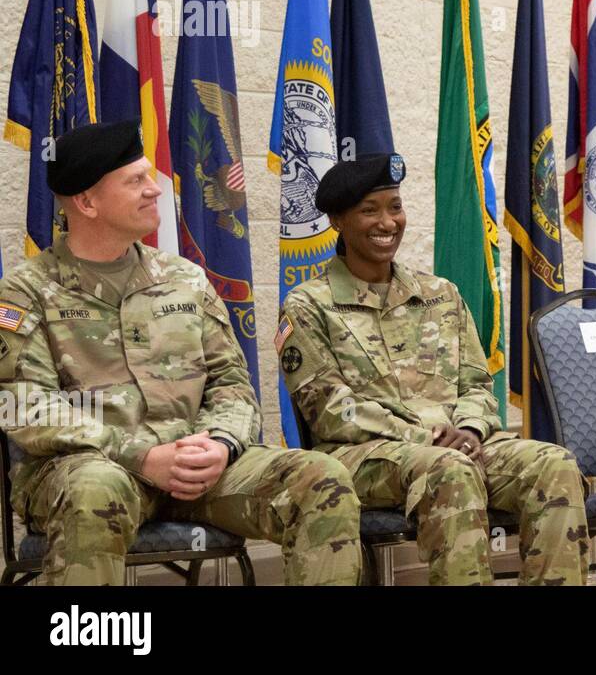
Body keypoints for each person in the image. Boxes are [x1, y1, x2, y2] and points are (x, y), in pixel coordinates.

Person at [0, 121, 362, 585]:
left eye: (150, 176)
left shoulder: (185, 279)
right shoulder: (27, 291)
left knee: (322, 477)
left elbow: (232, 383)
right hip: (93, 468)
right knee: (96, 489)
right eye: (135, 181)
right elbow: (28, 408)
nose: (155, 190)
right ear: (87, 202)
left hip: (196, 466)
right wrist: (142, 456)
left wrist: (219, 444)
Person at [280, 153, 589, 586]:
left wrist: (472, 430)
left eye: (395, 206)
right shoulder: (308, 305)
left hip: (461, 443)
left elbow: (479, 384)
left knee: (554, 463)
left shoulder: (440, 294)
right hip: (364, 455)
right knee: (450, 467)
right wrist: (427, 437)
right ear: (338, 221)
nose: (388, 222)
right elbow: (332, 411)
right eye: (369, 210)